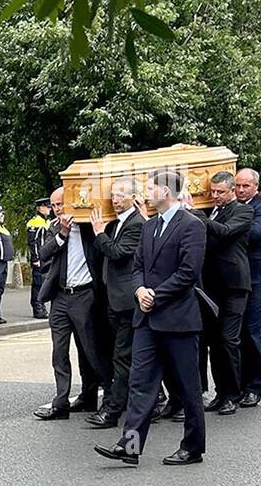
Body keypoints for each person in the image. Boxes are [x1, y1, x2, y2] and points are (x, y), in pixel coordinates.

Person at [94, 169, 208, 467]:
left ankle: (192, 447)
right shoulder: (149, 226)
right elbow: (137, 267)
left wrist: (155, 294)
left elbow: (188, 272)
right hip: (146, 319)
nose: (146, 192)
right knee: (140, 384)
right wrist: (140, 290)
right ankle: (130, 446)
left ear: (166, 192)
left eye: (151, 187)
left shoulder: (191, 226)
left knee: (187, 386)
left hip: (178, 319)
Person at [34, 186, 111, 421]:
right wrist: (63, 234)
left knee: (91, 349)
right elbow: (43, 254)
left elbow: (102, 253)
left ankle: (108, 396)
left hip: (85, 296)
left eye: (61, 204)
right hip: (60, 297)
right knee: (59, 351)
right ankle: (60, 403)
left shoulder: (89, 227)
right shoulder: (56, 228)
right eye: (54, 205)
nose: (57, 210)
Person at [86, 178, 145, 428]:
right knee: (123, 356)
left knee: (123, 357)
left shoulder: (136, 224)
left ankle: (112, 411)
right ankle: (151, 401)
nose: (115, 199)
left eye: (120, 195)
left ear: (134, 197)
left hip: (127, 302)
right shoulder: (118, 223)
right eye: (113, 195)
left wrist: (99, 233)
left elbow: (118, 254)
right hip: (113, 300)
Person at [196, 170, 253, 416]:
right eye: (213, 191)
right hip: (212, 286)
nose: (215, 196)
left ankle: (233, 393)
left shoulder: (242, 210)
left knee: (228, 340)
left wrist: (195, 214)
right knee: (213, 341)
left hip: (234, 285)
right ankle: (221, 392)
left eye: (220, 192)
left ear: (232, 191)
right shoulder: (210, 210)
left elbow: (225, 231)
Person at [234, 168, 261, 406]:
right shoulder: (230, 206)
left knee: (252, 332)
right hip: (235, 279)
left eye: (246, 186)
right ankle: (237, 385)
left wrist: (230, 224)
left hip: (260, 278)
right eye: (238, 186)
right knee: (236, 334)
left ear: (256, 187)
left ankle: (254, 386)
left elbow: (254, 233)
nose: (240, 190)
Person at [26, 197, 53, 319]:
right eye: (47, 207)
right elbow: (33, 243)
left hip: (47, 258)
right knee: (38, 284)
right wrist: (35, 259)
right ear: (40, 208)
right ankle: (38, 308)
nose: (49, 209)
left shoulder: (47, 222)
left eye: (50, 207)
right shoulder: (35, 222)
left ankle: (42, 307)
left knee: (44, 283)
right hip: (39, 259)